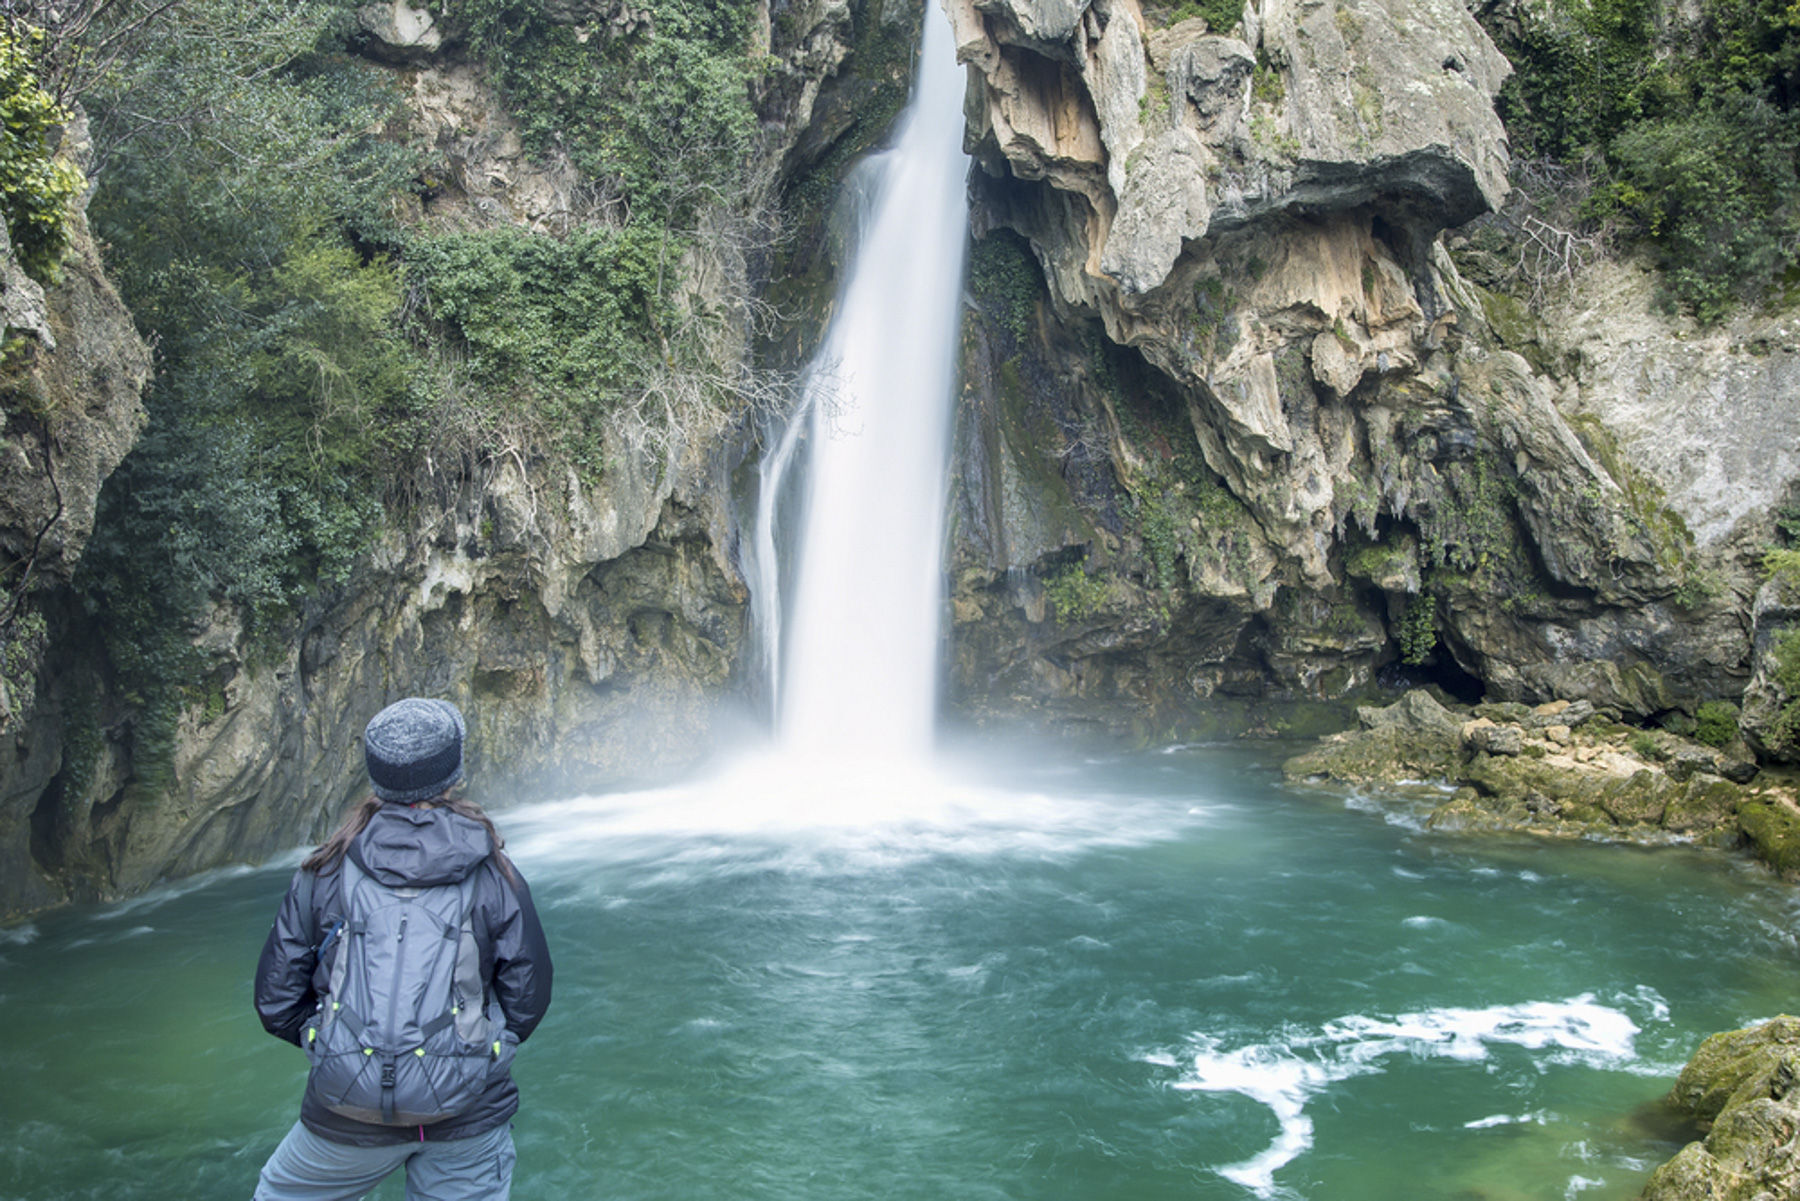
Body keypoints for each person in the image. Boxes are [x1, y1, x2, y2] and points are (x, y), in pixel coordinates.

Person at [252, 697, 553, 1200]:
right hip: (467, 1115)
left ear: (377, 776)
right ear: (451, 775)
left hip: (345, 1111)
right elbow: (528, 997)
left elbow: (277, 1002)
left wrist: (333, 1044)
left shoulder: (323, 872)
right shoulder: (494, 874)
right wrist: (480, 1052)